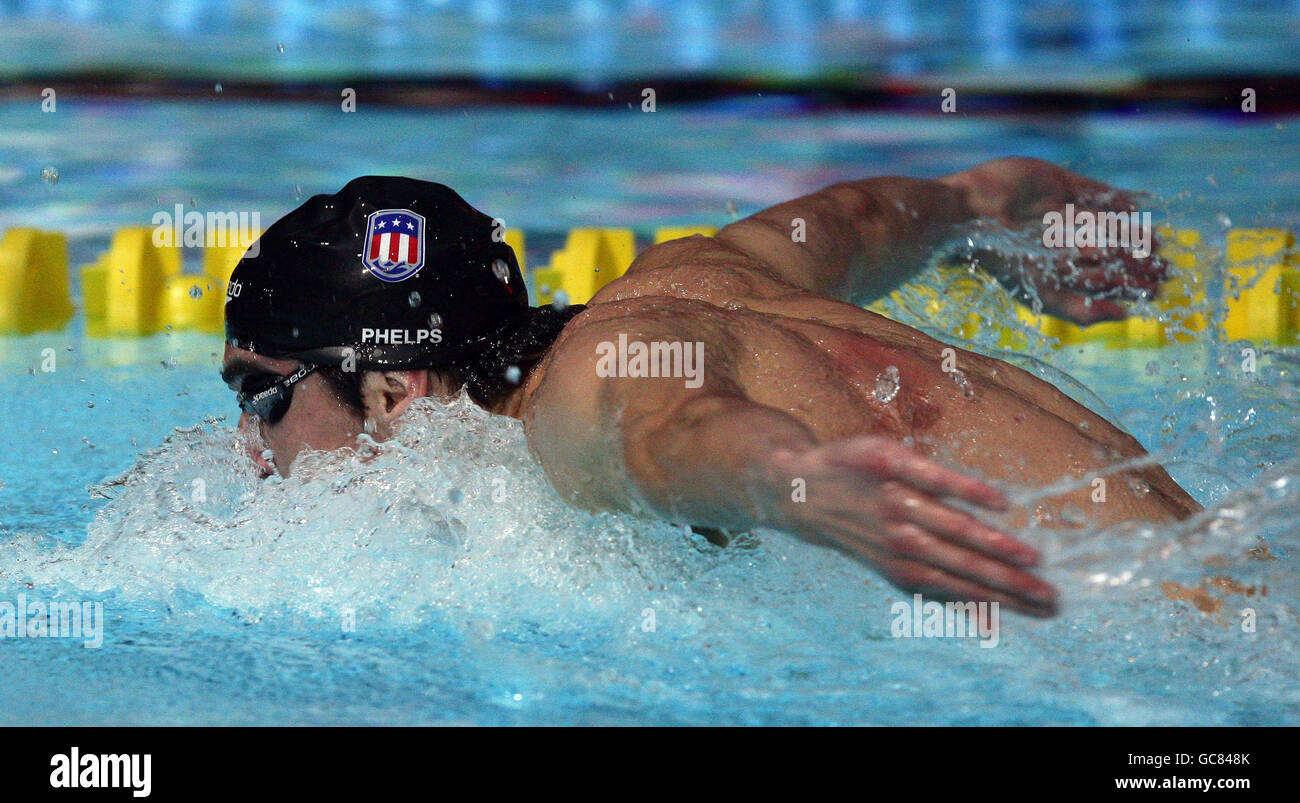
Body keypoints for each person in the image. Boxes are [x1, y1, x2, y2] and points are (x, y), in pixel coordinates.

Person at [222, 160, 1201, 618]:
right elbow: (860, 215)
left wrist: (792, 483)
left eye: (264, 396)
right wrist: (1002, 203)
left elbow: (675, 428)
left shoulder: (576, 394)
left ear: (397, 391)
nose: (248, 446)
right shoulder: (697, 273)